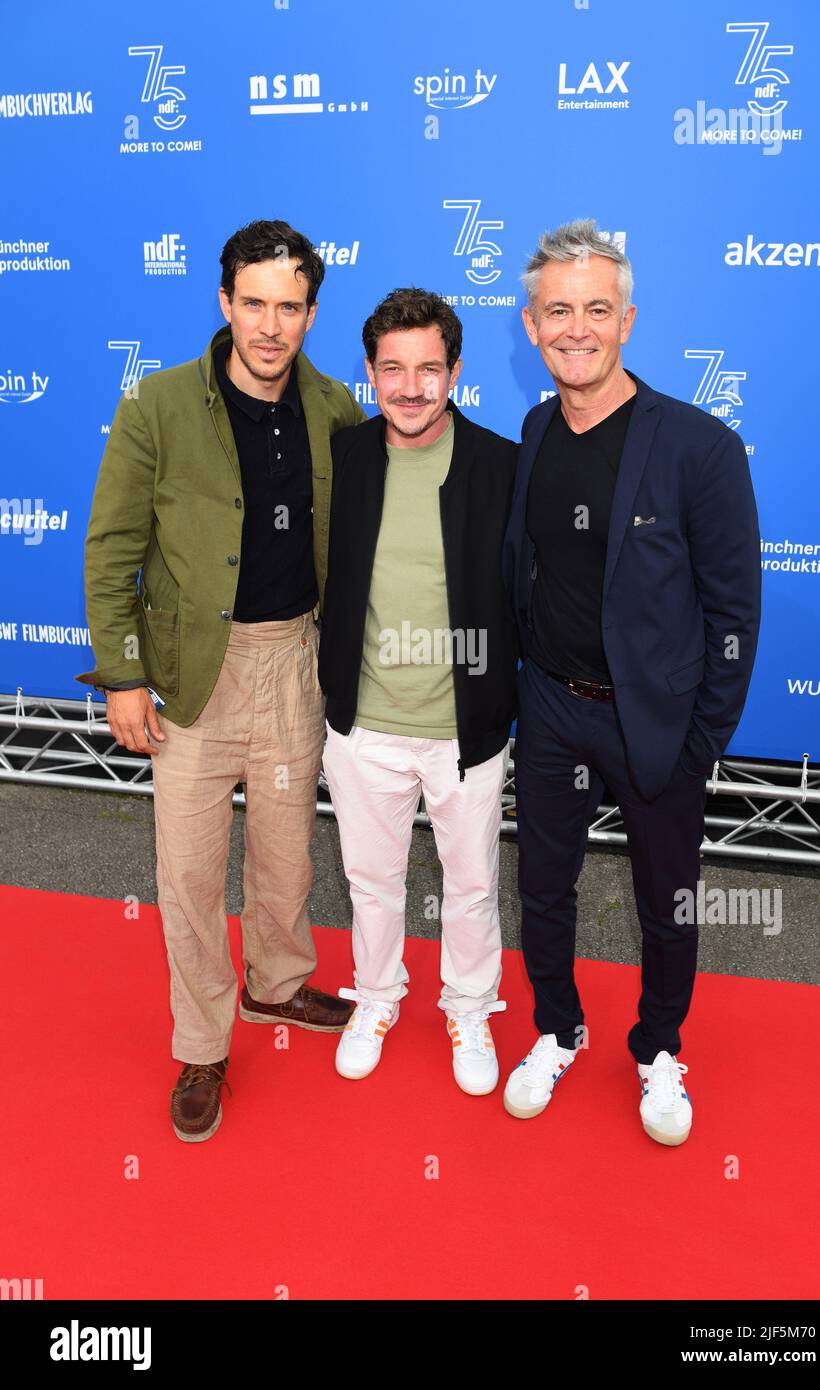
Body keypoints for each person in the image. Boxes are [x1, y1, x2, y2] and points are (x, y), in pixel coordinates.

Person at [77, 219, 367, 1142]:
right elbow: (113, 544)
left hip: (297, 664)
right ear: (223, 302)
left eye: (289, 307)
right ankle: (202, 1042)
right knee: (191, 871)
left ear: (312, 313)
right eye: (254, 304)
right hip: (197, 671)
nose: (270, 325)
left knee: (286, 856)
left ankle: (276, 986)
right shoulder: (157, 406)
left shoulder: (337, 412)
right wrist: (123, 675)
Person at [502, 220, 761, 1144]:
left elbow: (734, 613)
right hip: (551, 710)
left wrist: (702, 740)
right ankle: (557, 1028)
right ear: (530, 325)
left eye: (597, 310)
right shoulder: (535, 430)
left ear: (628, 321)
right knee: (542, 888)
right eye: (559, 310)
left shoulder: (700, 447)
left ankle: (658, 1049)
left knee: (667, 898)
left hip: (655, 723)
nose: (578, 328)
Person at [318, 288, 519, 1095]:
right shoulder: (346, 457)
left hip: (464, 728)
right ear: (369, 372)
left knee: (471, 884)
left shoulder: (502, 464)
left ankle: (470, 1006)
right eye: (392, 369)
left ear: (456, 371)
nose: (409, 387)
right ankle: (376, 996)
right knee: (371, 881)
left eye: (428, 369)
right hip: (362, 723)